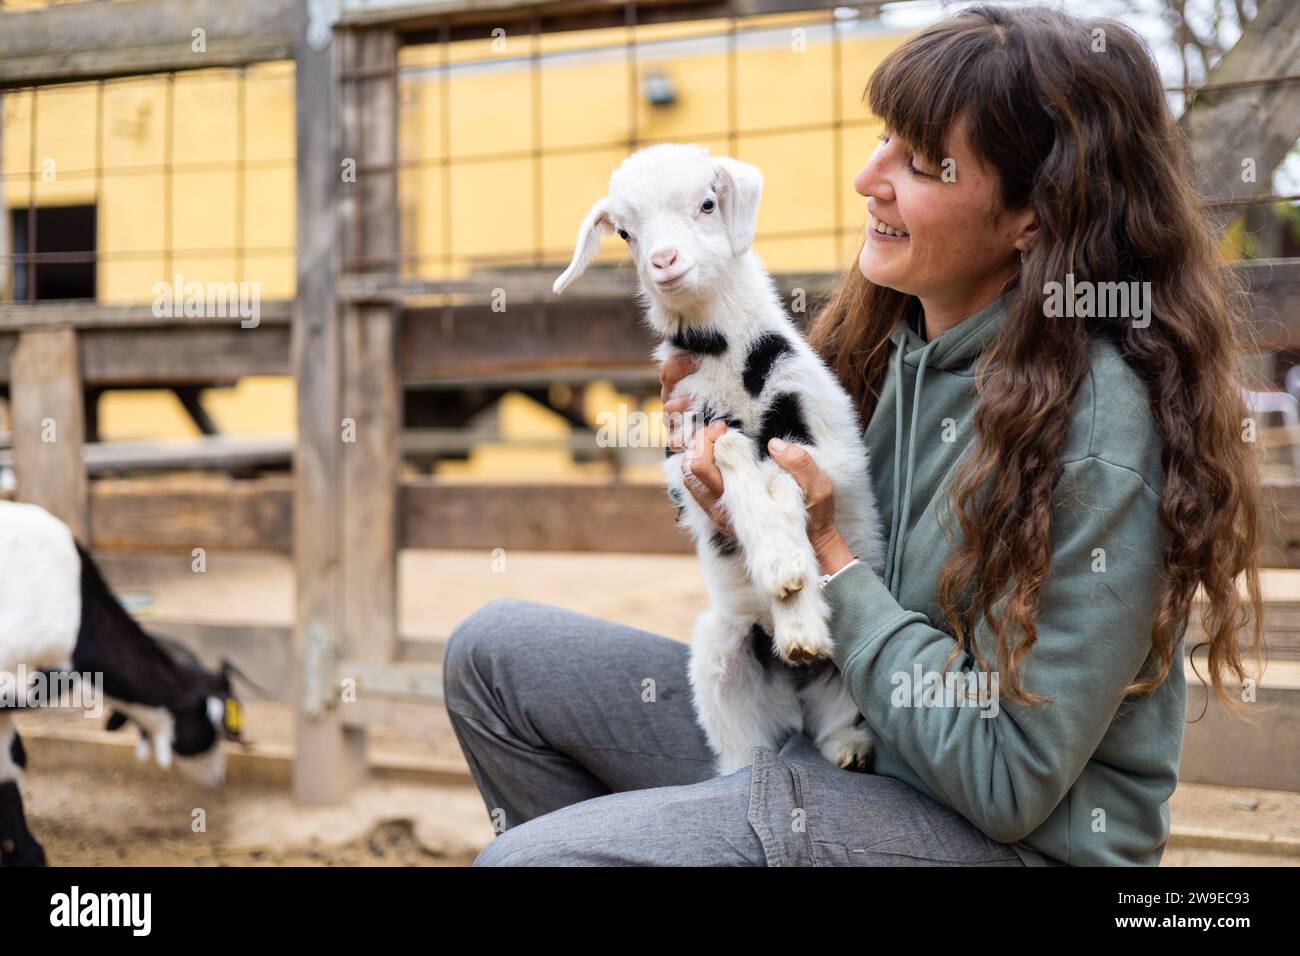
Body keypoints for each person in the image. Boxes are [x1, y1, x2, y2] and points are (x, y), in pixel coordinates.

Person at [443, 3, 1265, 866]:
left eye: (920, 162)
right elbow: (782, 575)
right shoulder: (882, 349)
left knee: (529, 862)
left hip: (996, 837)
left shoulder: (1097, 430)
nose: (870, 177)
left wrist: (829, 553)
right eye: (883, 139)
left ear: (1034, 214)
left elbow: (1012, 780)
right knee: (494, 654)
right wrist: (723, 472)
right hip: (840, 742)